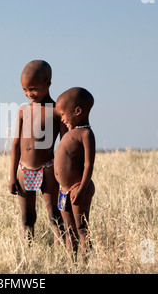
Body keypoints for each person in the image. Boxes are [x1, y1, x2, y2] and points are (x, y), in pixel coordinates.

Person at [9, 60, 68, 245]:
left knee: (55, 217)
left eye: (33, 89)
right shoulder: (22, 111)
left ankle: (61, 254)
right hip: (24, 169)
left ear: (48, 83)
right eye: (25, 90)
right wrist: (12, 175)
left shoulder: (57, 112)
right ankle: (28, 251)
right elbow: (16, 144)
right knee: (27, 218)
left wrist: (64, 175)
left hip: (48, 169)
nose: (29, 94)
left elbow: (65, 146)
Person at [54, 87, 96, 256]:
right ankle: (73, 262)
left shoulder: (85, 134)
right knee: (68, 228)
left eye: (63, 114)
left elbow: (88, 164)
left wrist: (83, 188)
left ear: (78, 111)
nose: (62, 119)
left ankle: (86, 259)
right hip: (64, 190)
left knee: (81, 227)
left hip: (78, 188)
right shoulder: (71, 133)